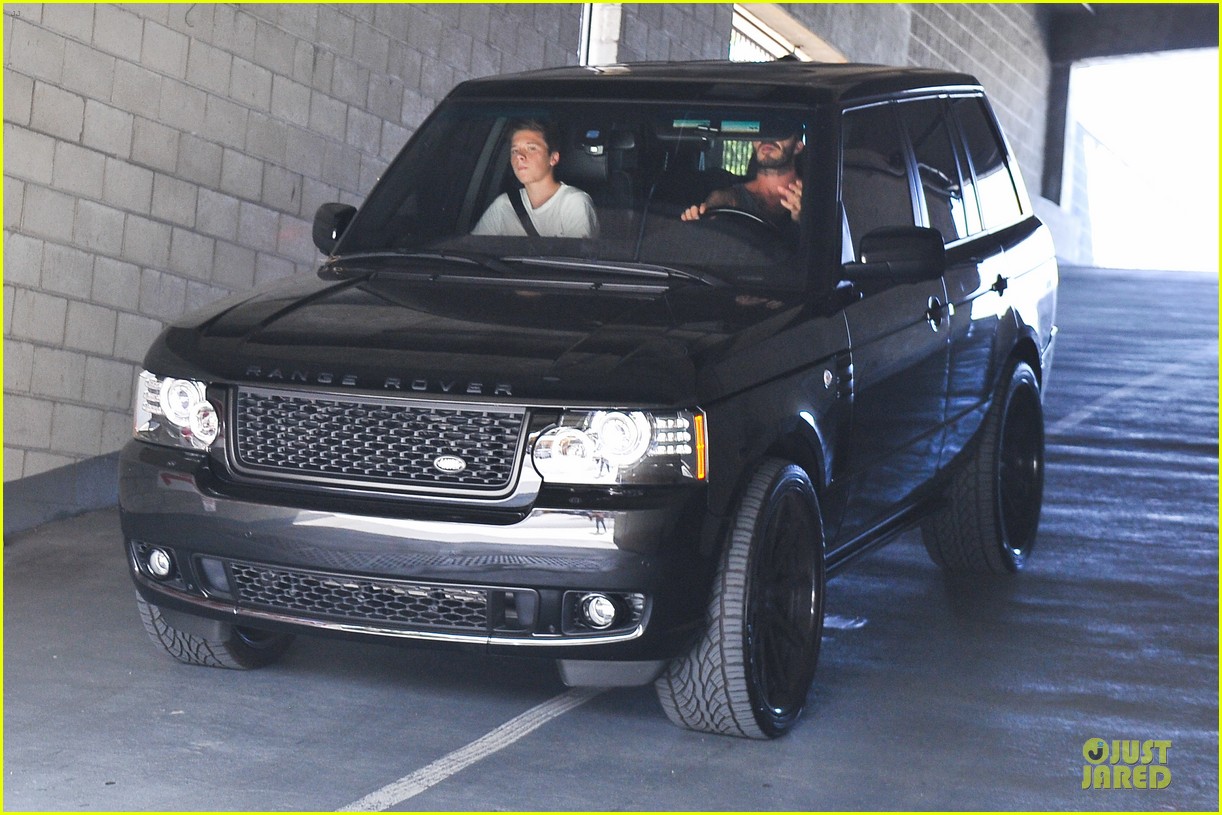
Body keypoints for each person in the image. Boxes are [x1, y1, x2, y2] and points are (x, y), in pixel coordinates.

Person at [472, 119, 599, 238]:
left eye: (531, 148)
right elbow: (472, 249)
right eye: (515, 151)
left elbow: (575, 258)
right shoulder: (503, 205)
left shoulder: (573, 203)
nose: (520, 156)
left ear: (553, 158)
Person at [680, 131, 804, 229]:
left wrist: (804, 219)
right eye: (760, 130)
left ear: (798, 147)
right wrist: (696, 224)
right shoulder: (727, 198)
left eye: (779, 131)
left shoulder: (816, 198)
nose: (767, 137)